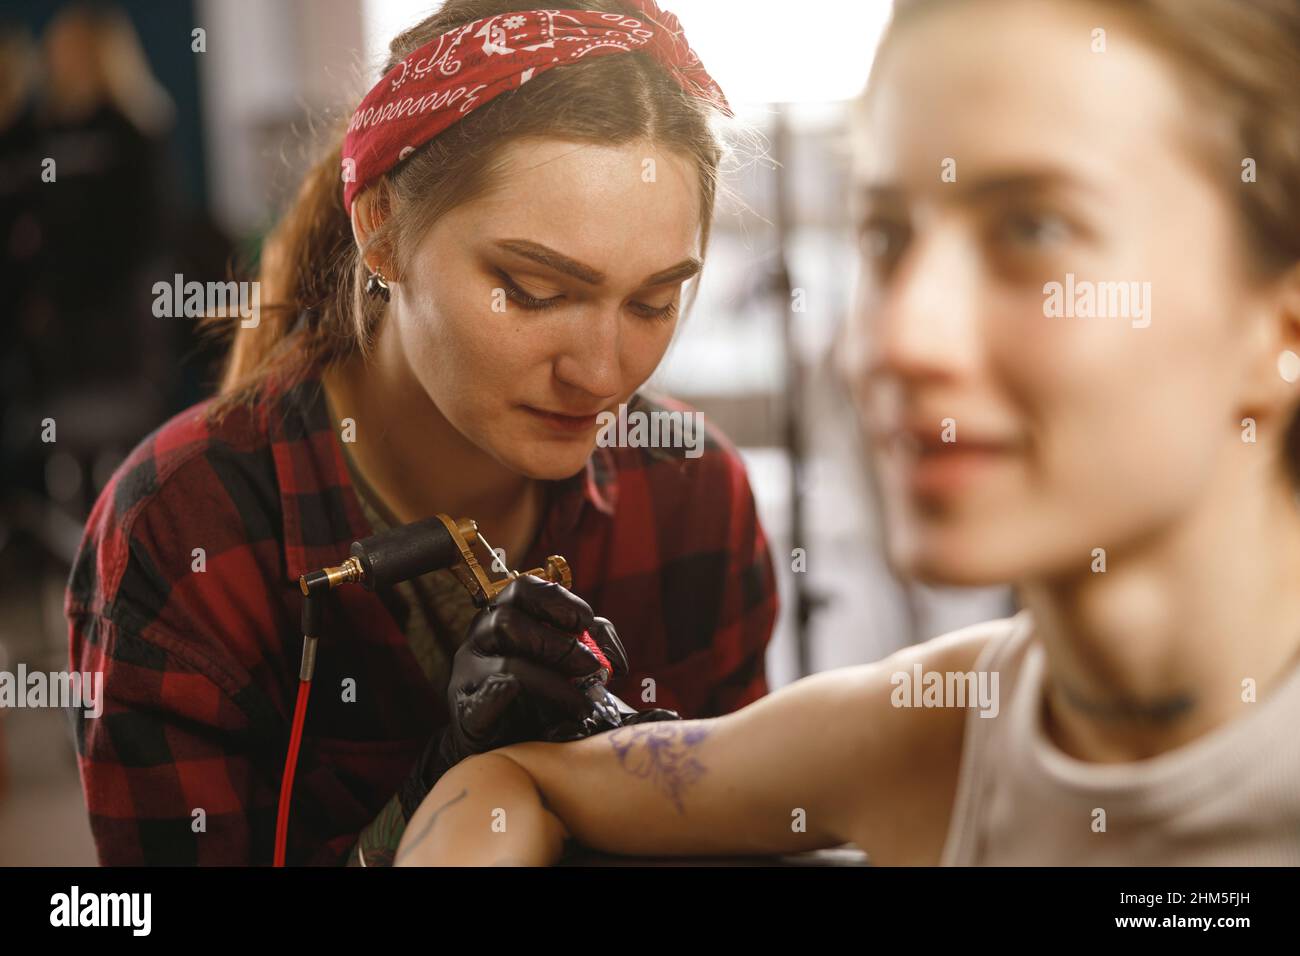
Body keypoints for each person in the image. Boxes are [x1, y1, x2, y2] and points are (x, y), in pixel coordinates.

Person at [395, 0, 1300, 866]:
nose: (894, 337)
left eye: (1036, 227)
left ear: (1282, 327)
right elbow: (517, 779)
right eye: (886, 238)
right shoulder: (924, 737)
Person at [65, 0, 778, 866]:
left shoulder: (694, 492)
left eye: (652, 302)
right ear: (382, 233)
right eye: (533, 290)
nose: (602, 376)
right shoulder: (186, 535)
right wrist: (445, 784)